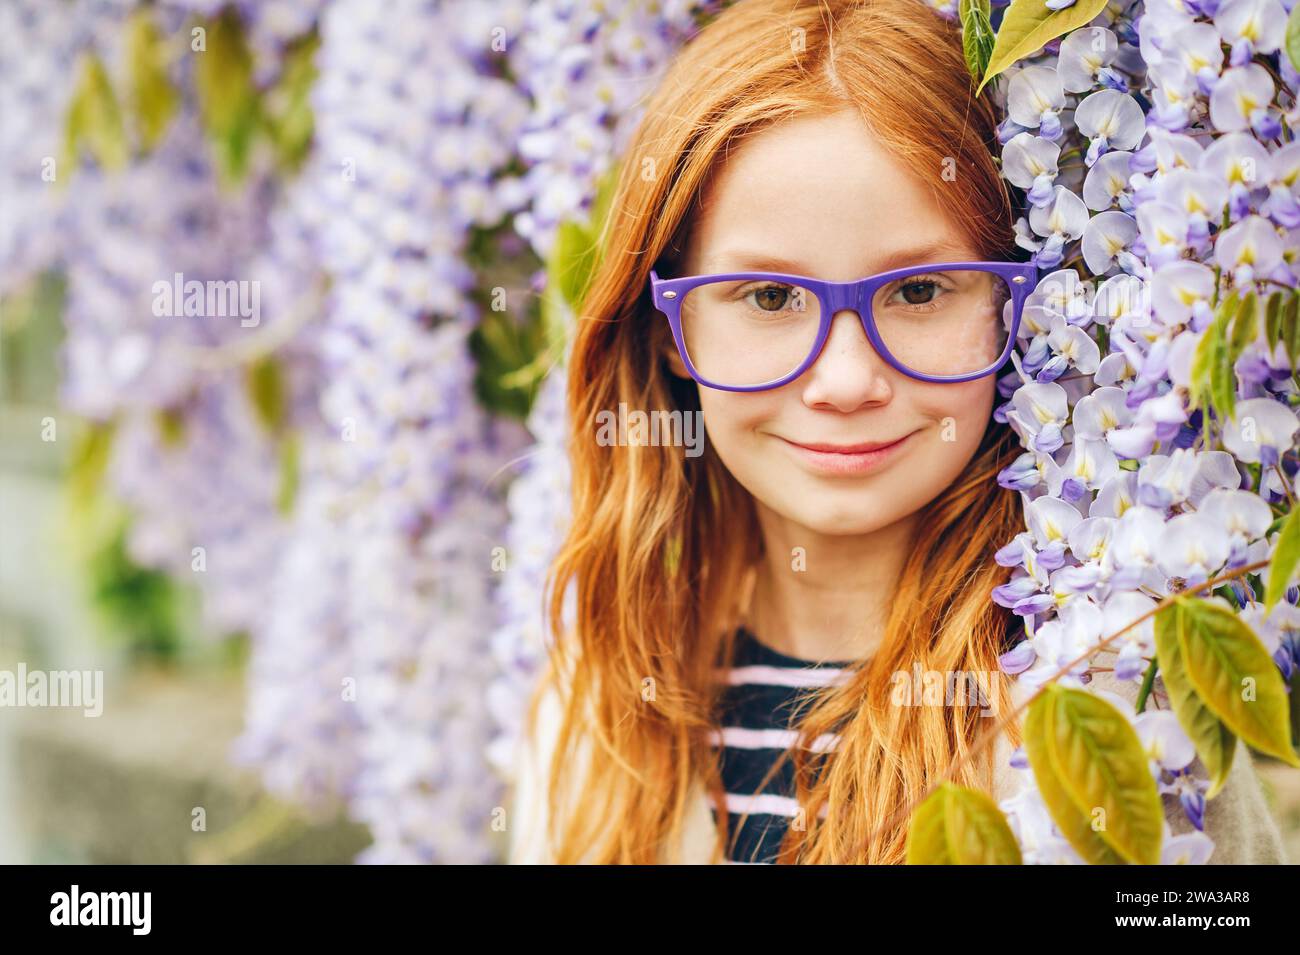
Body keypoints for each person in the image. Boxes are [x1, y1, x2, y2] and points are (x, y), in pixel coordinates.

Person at [507, 0, 1288, 864]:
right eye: (771, 297)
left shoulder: (1119, 700)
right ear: (672, 335)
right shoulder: (591, 726)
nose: (844, 381)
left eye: (919, 291)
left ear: (1016, 313)